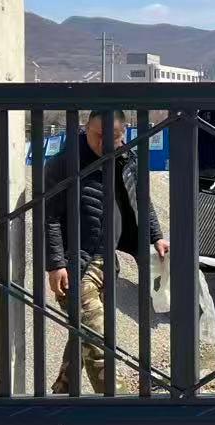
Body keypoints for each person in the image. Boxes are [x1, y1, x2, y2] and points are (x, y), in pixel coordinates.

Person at [44, 111, 168, 394]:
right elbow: (49, 218)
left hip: (107, 263)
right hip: (76, 265)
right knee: (97, 338)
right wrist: (55, 264)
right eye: (98, 135)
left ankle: (62, 393)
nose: (104, 143)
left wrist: (156, 237)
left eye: (113, 136)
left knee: (83, 335)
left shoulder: (126, 159)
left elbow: (142, 200)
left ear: (124, 133)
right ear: (86, 129)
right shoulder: (64, 163)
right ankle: (115, 402)